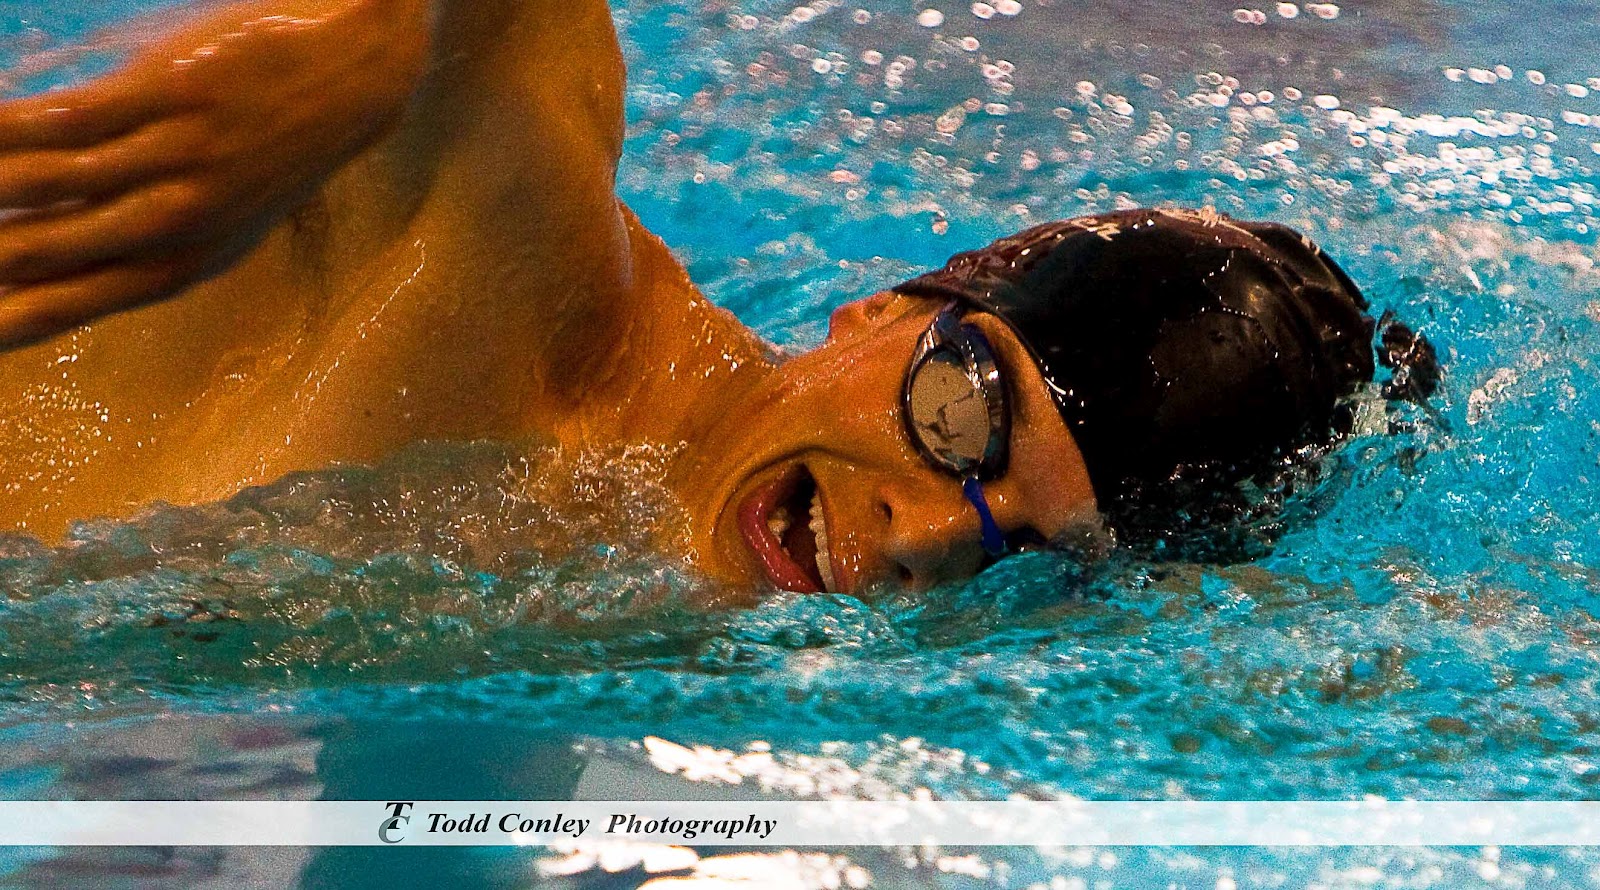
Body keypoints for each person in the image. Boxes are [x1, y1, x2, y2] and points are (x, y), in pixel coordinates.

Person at [0, 0, 1434, 600]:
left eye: (1023, 551)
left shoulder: (658, 626)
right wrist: (371, 47)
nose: (925, 540)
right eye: (959, 416)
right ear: (877, 312)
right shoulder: (494, 251)